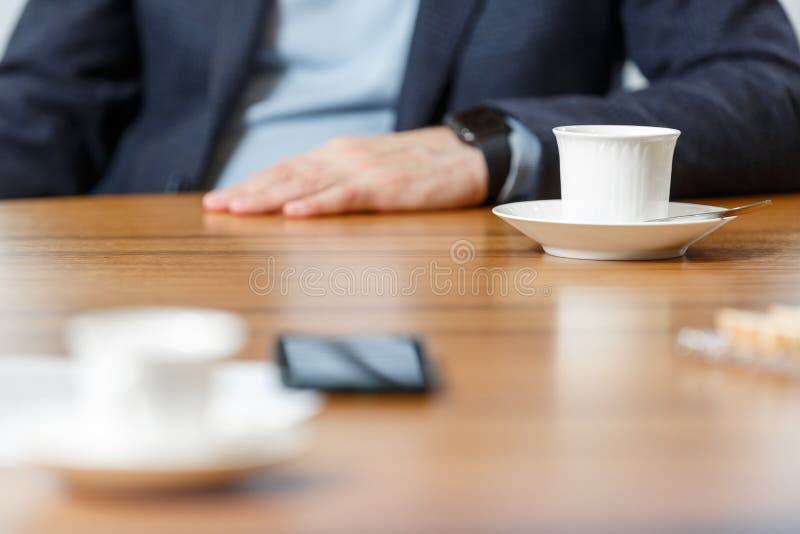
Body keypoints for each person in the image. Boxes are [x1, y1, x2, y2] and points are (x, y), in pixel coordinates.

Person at [0, 0, 798, 217]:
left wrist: (494, 148)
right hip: (158, 254)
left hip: (457, 274)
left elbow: (772, 93)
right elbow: (39, 110)